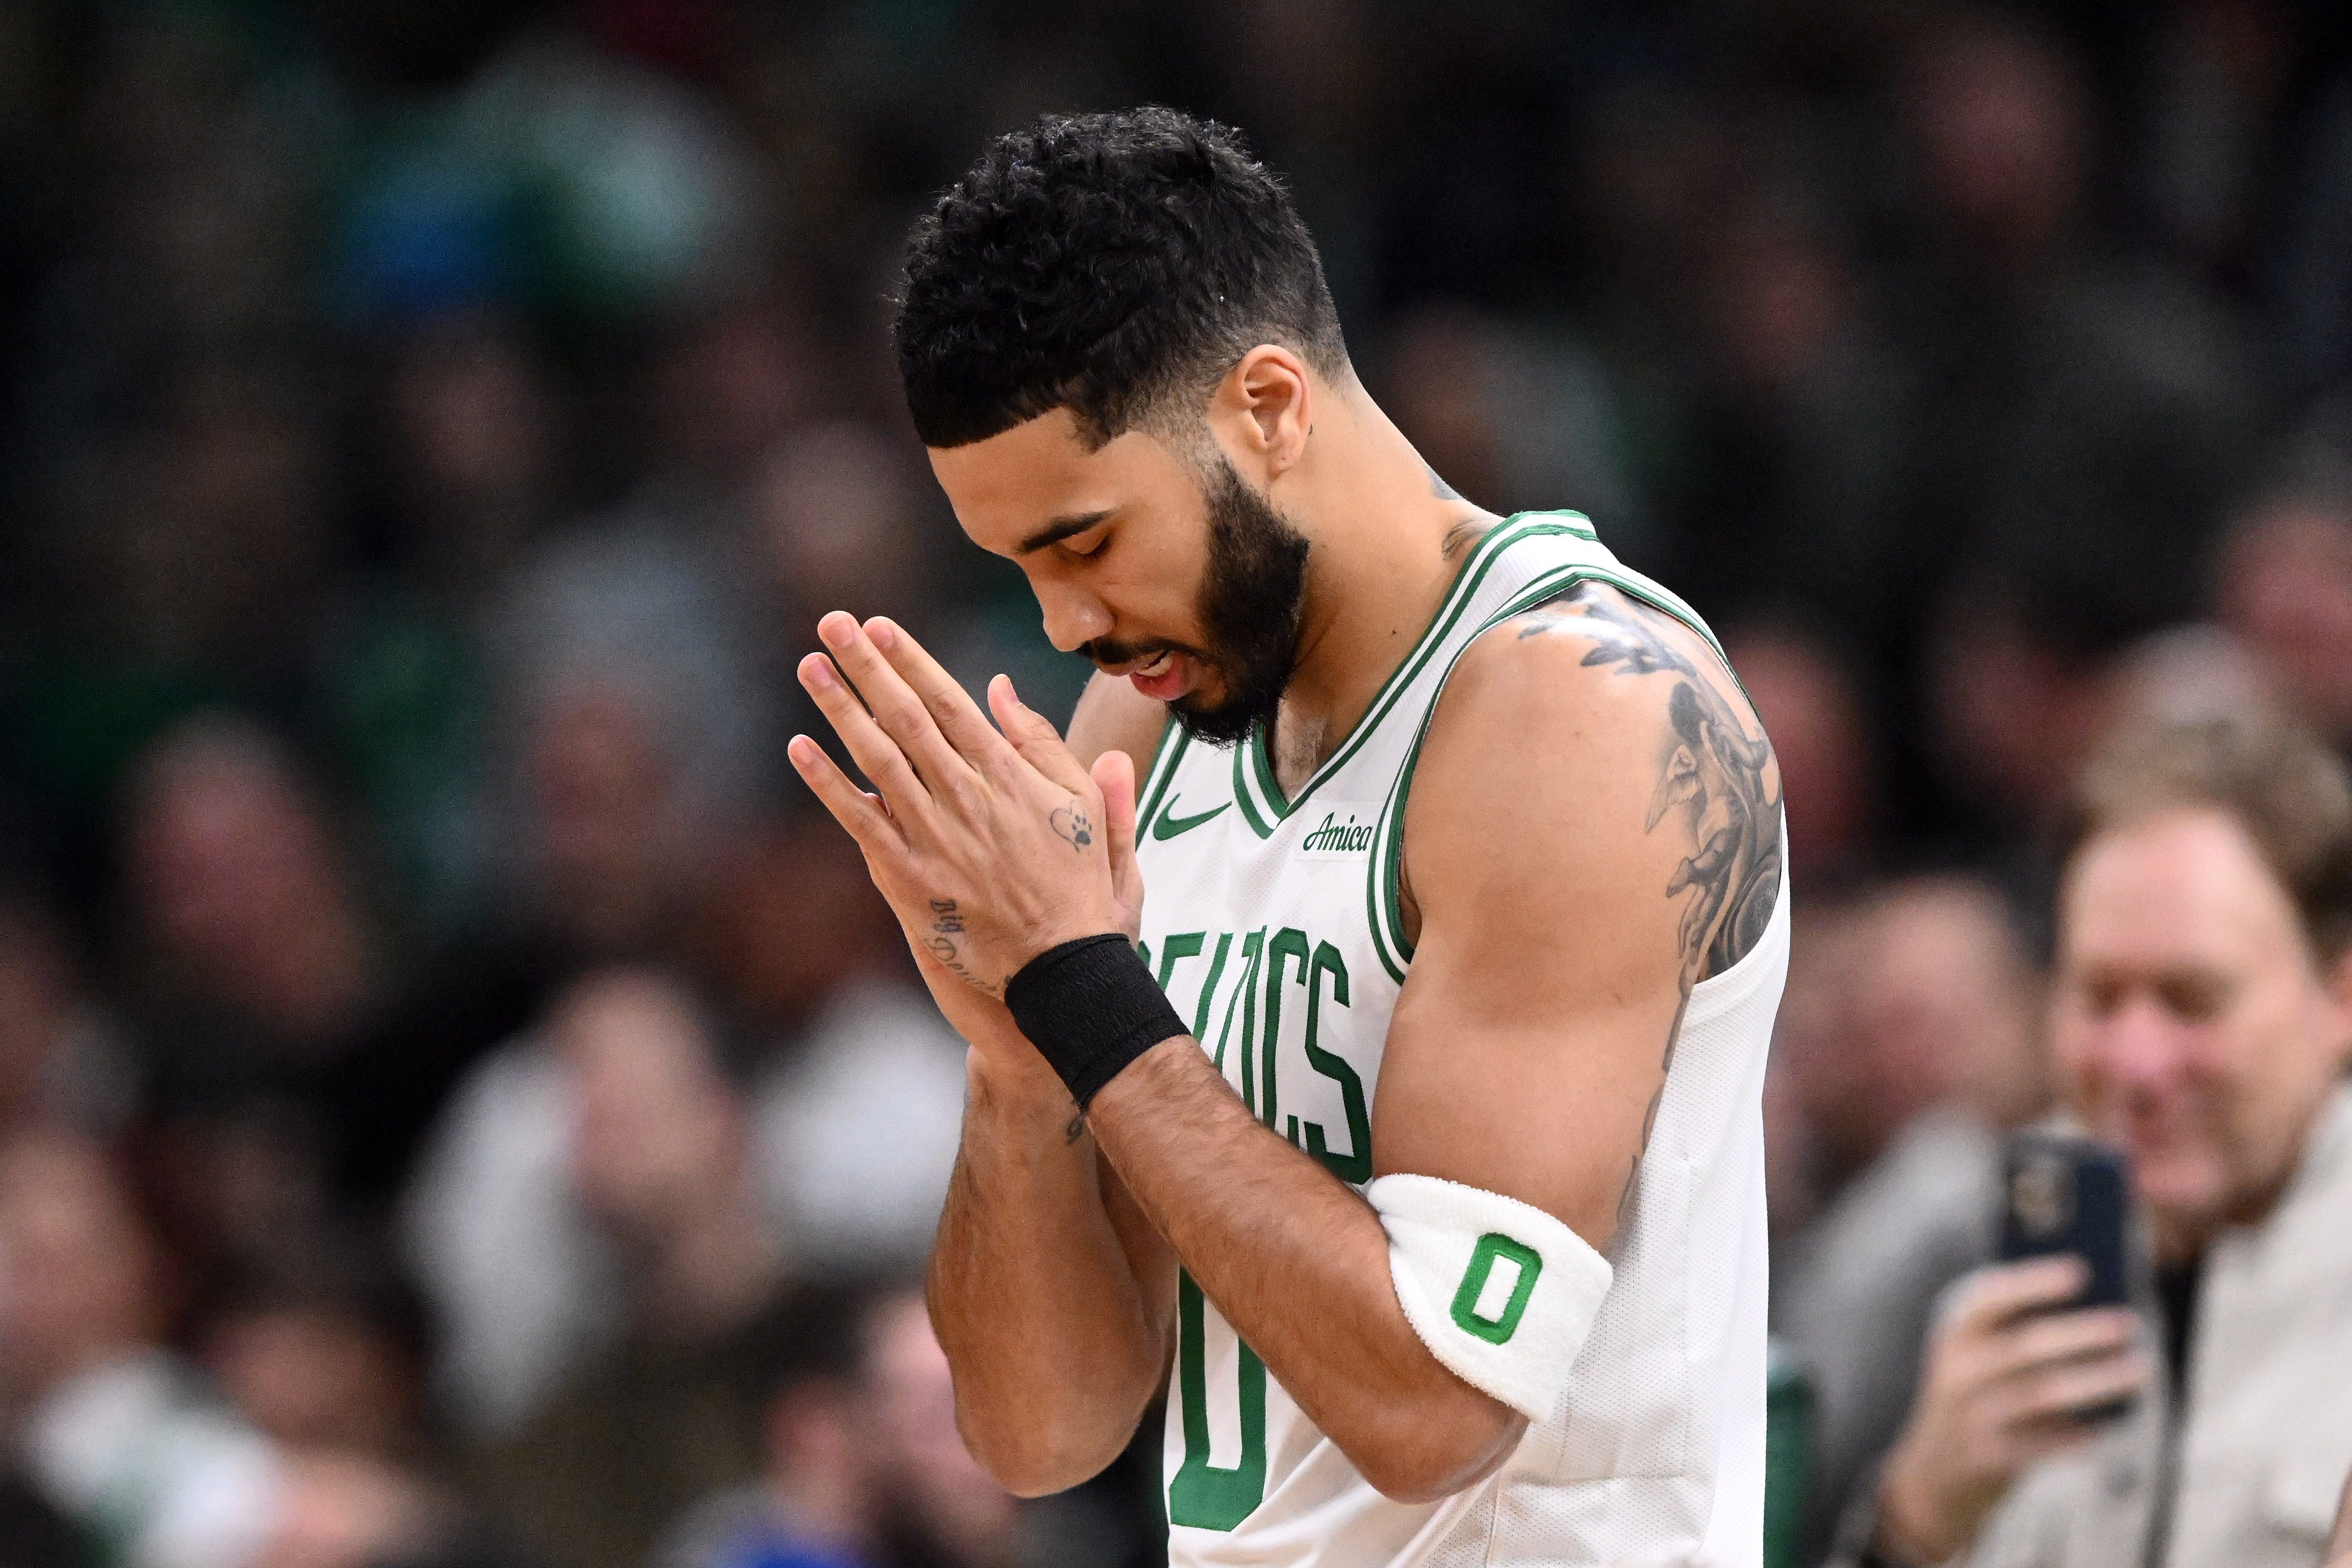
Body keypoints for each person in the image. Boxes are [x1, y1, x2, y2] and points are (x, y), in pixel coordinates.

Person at [787, 108, 1789, 1564]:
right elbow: (1041, 1432)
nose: (1064, 624)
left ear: (1266, 405)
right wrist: (1017, 1060)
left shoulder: (1581, 710)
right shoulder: (1141, 726)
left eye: (1085, 541)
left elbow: (1437, 1400)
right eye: (1019, 567)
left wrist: (1082, 989)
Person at [1844, 710, 2352, 1568]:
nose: (2135, 1061)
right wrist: (1909, 1527)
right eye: (2099, 996)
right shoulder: (1984, 1268)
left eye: (2193, 1000)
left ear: (2339, 995)